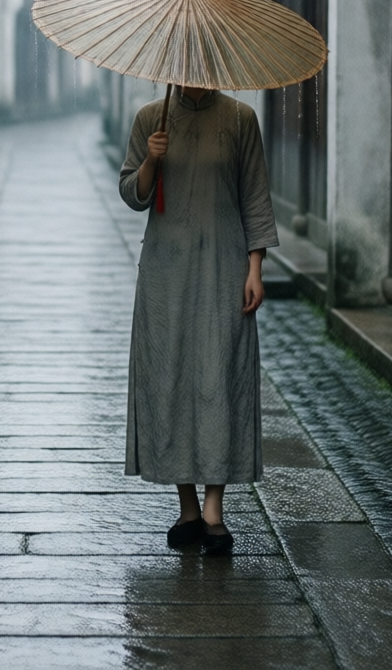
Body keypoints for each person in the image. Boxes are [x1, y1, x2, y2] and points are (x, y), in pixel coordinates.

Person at [118, 83, 278, 555]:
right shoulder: (152, 116)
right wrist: (151, 159)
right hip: (166, 274)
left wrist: (255, 268)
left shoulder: (240, 118)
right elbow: (133, 194)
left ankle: (214, 509)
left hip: (224, 268)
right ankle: (187, 507)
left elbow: (255, 196)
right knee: (170, 380)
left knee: (219, 377)